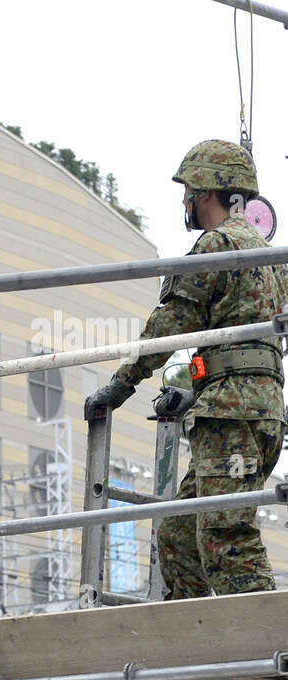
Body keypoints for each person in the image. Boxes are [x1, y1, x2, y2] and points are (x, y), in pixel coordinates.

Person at [85, 139, 288, 599]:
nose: (185, 201)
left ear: (209, 192)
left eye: (190, 190)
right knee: (179, 535)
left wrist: (118, 389)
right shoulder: (272, 257)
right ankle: (203, 635)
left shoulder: (217, 246)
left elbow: (168, 330)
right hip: (257, 413)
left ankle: (264, 638)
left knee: (226, 539)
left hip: (231, 418)